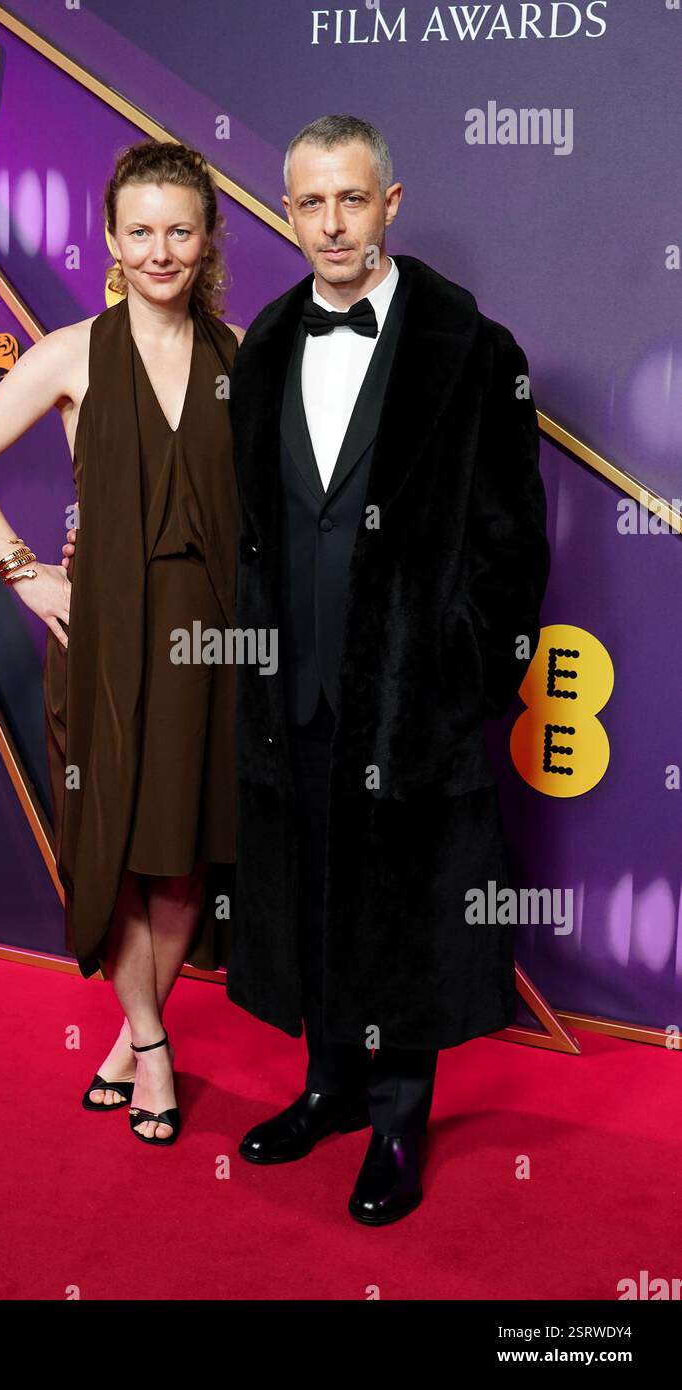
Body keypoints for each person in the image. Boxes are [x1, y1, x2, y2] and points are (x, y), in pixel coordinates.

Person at [222, 114, 551, 1224]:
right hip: (293, 690)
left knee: (408, 908)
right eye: (309, 202)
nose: (330, 223)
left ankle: (400, 1118)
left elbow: (515, 548)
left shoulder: (475, 350)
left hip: (415, 698)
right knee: (314, 891)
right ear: (286, 209)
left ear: (391, 206)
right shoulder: (262, 344)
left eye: (351, 200)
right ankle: (330, 1086)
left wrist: (461, 676)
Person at [0, 140, 245, 1147]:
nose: (161, 250)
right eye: (141, 230)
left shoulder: (243, 354)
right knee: (108, 852)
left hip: (213, 637)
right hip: (105, 636)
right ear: (111, 240)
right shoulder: (70, 351)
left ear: (208, 241)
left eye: (180, 230)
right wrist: (29, 572)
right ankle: (153, 1043)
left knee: (186, 849)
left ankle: (128, 1043)